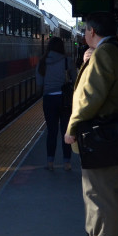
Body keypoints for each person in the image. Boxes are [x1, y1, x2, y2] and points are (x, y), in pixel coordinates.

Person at [63, 12, 118, 236]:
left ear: (92, 32)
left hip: (100, 132)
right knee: (94, 190)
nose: (84, 36)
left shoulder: (104, 54)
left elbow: (90, 95)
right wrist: (86, 62)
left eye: (85, 32)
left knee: (100, 193)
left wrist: (72, 126)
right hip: (110, 129)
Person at [36, 37, 73, 171]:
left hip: (49, 100)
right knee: (65, 131)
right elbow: (75, 79)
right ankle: (67, 163)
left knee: (51, 131)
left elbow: (39, 84)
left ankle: (50, 163)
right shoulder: (67, 61)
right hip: (64, 100)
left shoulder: (42, 62)